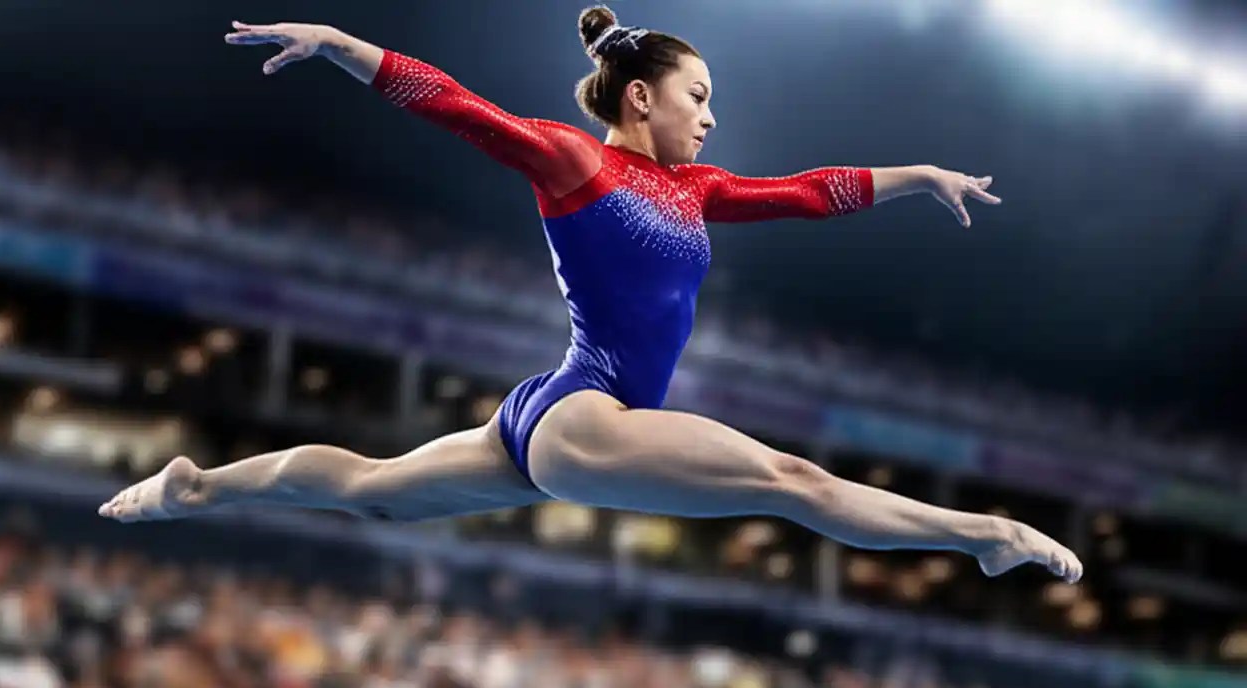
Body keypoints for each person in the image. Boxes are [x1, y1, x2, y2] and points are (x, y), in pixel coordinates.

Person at [100, 7, 1083, 584]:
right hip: (583, 413)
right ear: (639, 97)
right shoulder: (574, 160)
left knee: (372, 495)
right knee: (793, 484)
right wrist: (343, 46)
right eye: (698, 96)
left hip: (554, 408)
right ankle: (984, 537)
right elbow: (457, 107)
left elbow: (804, 194)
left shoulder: (699, 190)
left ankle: (197, 488)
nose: (710, 115)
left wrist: (916, 174)